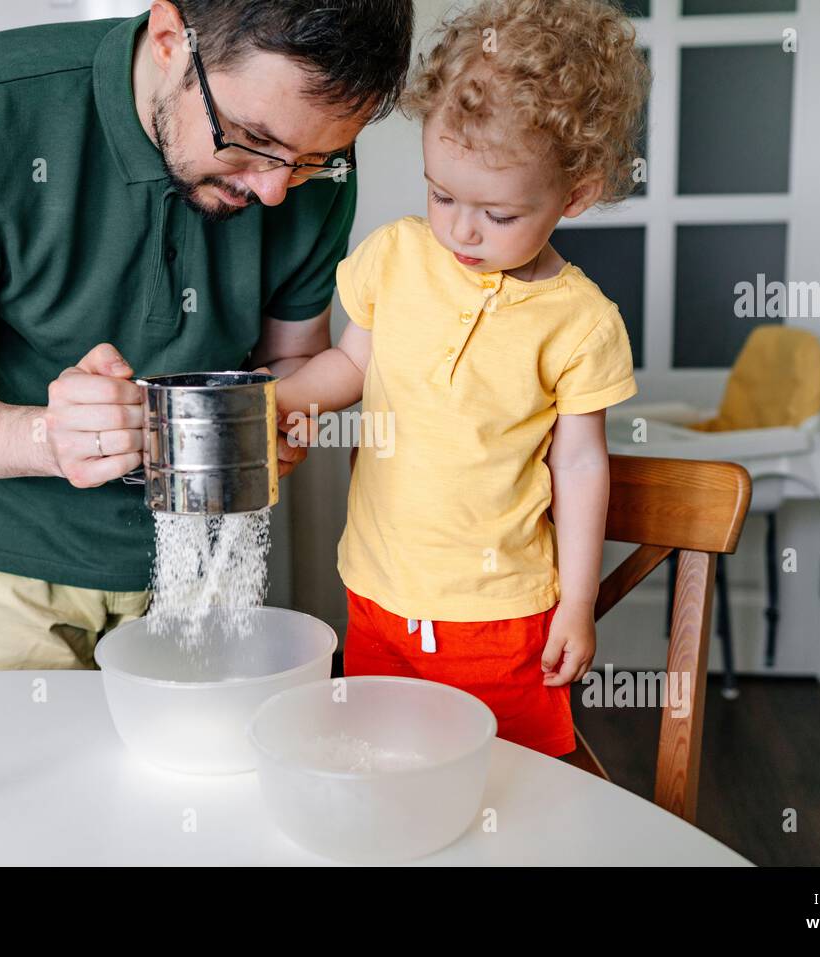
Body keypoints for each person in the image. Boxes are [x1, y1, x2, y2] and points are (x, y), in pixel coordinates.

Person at [0, 1, 413, 673]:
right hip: (2, 560)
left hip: (206, 561)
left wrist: (278, 417)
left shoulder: (311, 163)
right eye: (250, 138)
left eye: (311, 159)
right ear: (169, 41)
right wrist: (50, 435)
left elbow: (293, 359)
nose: (277, 190)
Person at [275, 0, 649, 758]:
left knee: (508, 786)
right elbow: (350, 364)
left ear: (572, 196)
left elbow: (578, 462)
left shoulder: (579, 322)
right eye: (441, 195)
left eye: (497, 213)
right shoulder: (397, 257)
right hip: (377, 597)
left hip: (500, 617)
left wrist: (577, 602)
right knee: (385, 766)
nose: (461, 231)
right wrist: (267, 401)